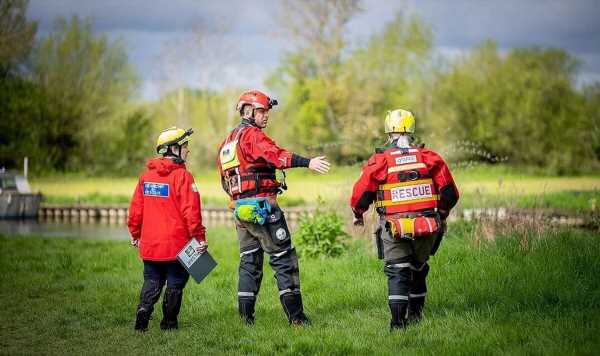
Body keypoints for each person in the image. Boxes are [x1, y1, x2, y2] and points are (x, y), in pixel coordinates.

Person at [217, 89, 330, 326]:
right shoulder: (252, 136)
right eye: (262, 111)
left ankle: (246, 319)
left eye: (267, 111)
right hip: (262, 208)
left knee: (249, 261)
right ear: (248, 111)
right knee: (284, 258)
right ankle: (297, 320)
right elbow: (276, 155)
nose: (266, 115)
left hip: (241, 211)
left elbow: (225, 181)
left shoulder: (227, 142)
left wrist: (240, 199)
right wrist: (308, 162)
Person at [350, 109, 459, 330]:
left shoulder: (380, 160)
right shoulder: (430, 158)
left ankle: (397, 325)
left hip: (394, 226)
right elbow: (449, 194)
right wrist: (442, 215)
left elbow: (361, 194)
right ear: (412, 129)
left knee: (398, 271)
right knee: (419, 269)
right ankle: (416, 318)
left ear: (388, 130)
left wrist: (358, 214)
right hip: (428, 225)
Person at [128, 127, 208, 332]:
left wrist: (135, 234)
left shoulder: (145, 177)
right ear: (173, 148)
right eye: (184, 146)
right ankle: (169, 323)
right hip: (177, 246)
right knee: (175, 283)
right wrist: (199, 239)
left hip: (150, 245)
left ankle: (144, 311)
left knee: (152, 279)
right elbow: (192, 213)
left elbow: (135, 211)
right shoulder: (184, 177)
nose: (187, 151)